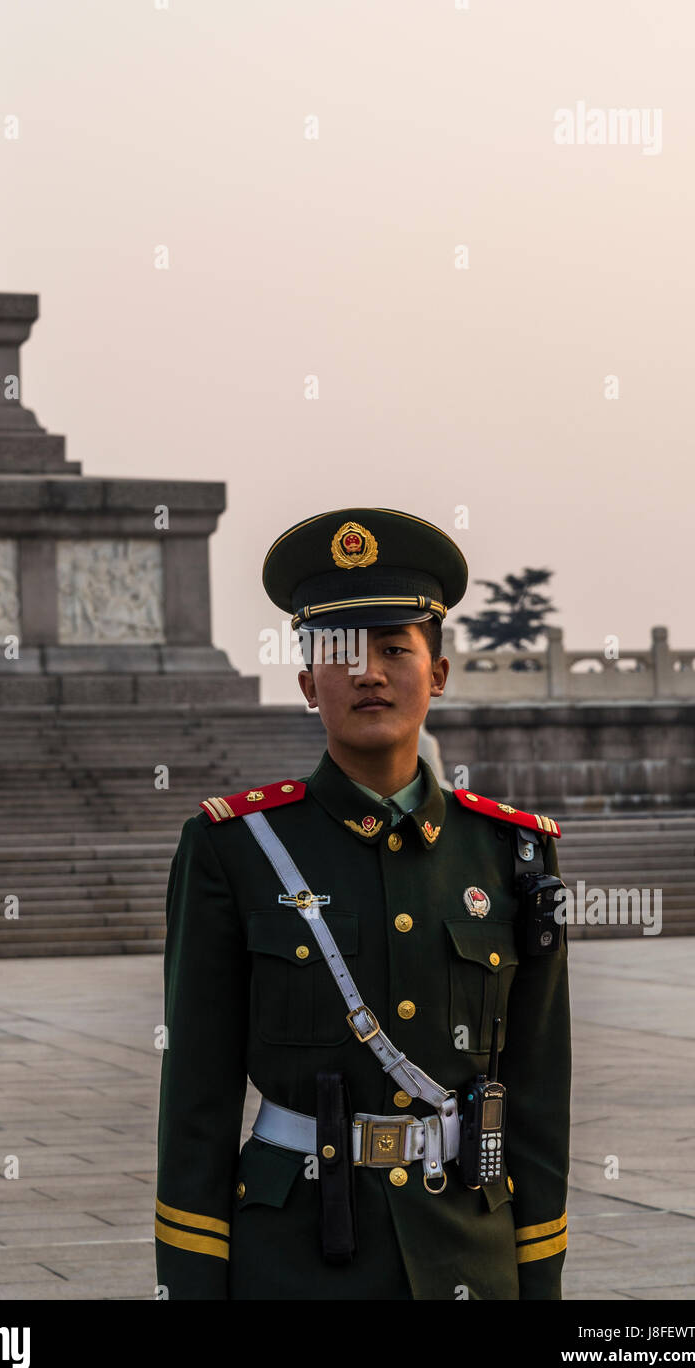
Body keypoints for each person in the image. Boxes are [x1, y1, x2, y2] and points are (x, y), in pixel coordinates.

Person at [154, 506, 570, 1300]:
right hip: (294, 1253)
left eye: (393, 649)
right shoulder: (233, 849)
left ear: (437, 673)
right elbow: (196, 1104)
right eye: (339, 654)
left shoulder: (508, 853)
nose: (368, 672)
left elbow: (538, 1092)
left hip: (466, 1252)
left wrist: (536, 1274)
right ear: (308, 681)